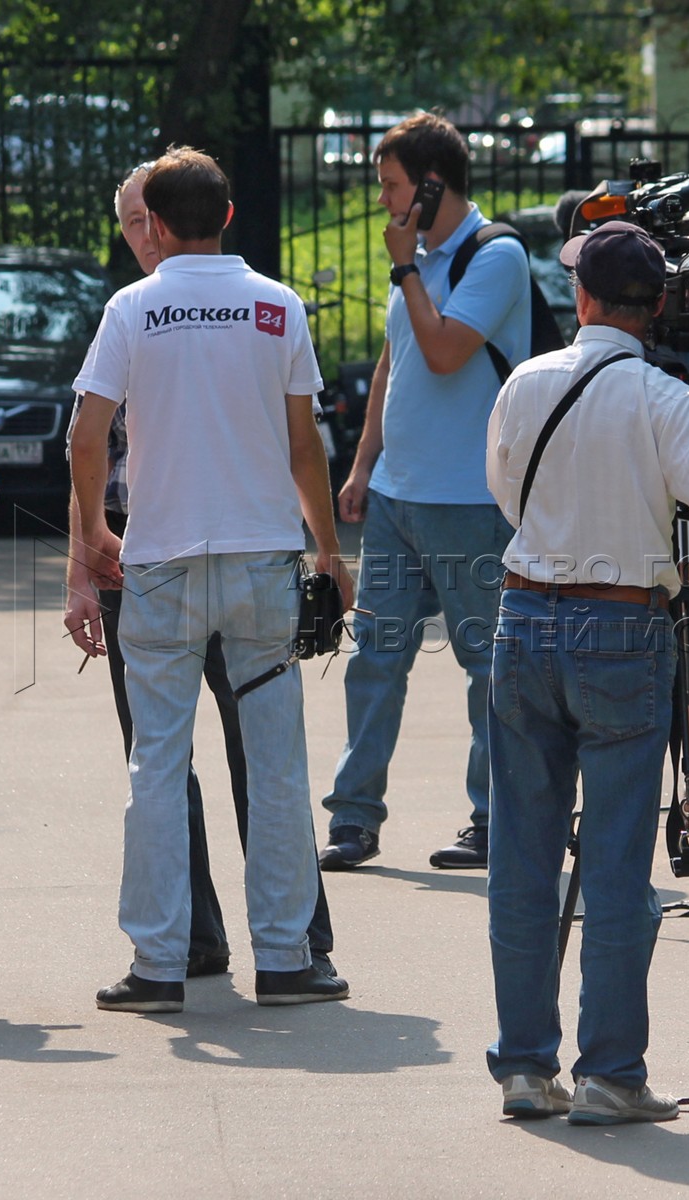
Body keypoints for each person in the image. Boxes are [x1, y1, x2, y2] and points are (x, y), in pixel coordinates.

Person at [484, 220, 689, 1123]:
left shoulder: (527, 382)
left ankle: (526, 1068)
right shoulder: (666, 397)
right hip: (623, 626)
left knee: (522, 856)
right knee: (613, 861)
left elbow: (505, 492)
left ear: (583, 300)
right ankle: (611, 1075)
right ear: (657, 311)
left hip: (524, 615)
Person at [70, 148, 352, 1013]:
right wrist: (329, 550)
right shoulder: (277, 306)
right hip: (262, 558)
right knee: (273, 767)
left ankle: (158, 965)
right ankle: (286, 959)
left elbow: (87, 435)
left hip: (157, 565)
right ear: (230, 215)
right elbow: (305, 444)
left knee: (156, 763)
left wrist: (91, 536)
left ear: (151, 223)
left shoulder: (133, 307)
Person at [320, 113, 531, 872]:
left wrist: (409, 269)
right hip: (398, 498)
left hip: (470, 501)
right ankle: (353, 819)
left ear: (433, 185)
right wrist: (363, 461)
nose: (383, 199)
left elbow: (444, 352)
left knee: (488, 665)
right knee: (373, 658)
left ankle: (494, 816)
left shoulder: (495, 255)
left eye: (392, 185)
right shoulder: (413, 262)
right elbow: (393, 363)